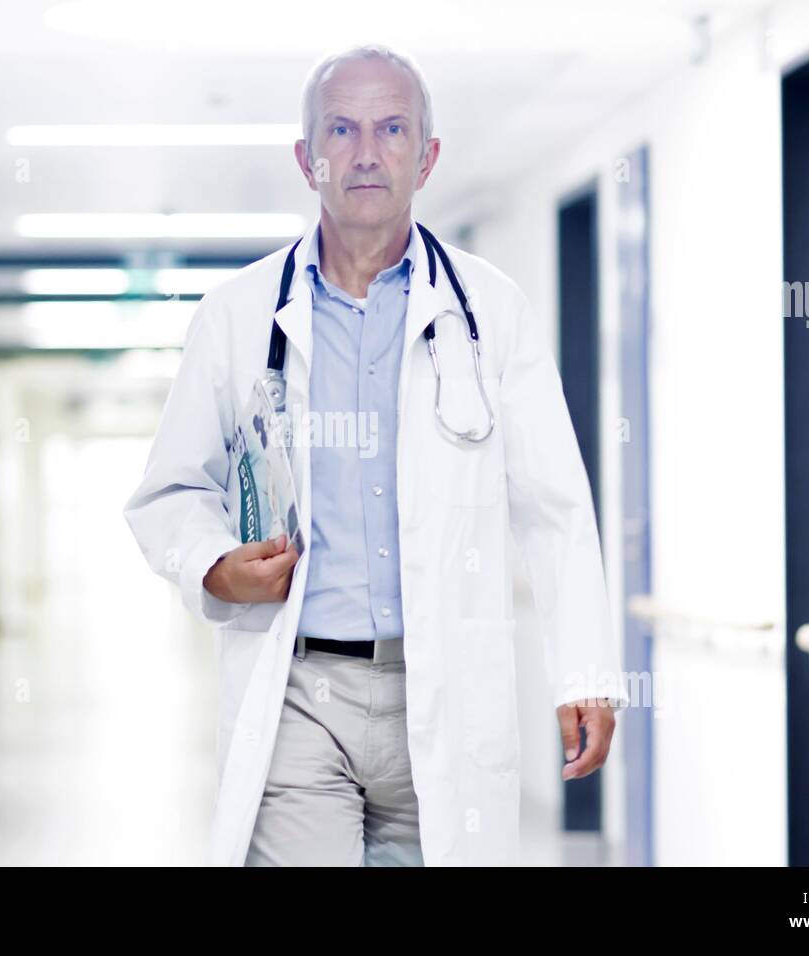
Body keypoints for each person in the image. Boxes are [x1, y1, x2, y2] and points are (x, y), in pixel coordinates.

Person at [123, 43, 629, 867]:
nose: (366, 153)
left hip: (448, 689)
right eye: (342, 129)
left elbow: (555, 507)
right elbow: (169, 491)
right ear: (306, 157)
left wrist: (585, 671)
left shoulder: (491, 314)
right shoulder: (237, 316)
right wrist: (216, 563)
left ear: (427, 157)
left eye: (392, 129)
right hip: (299, 694)